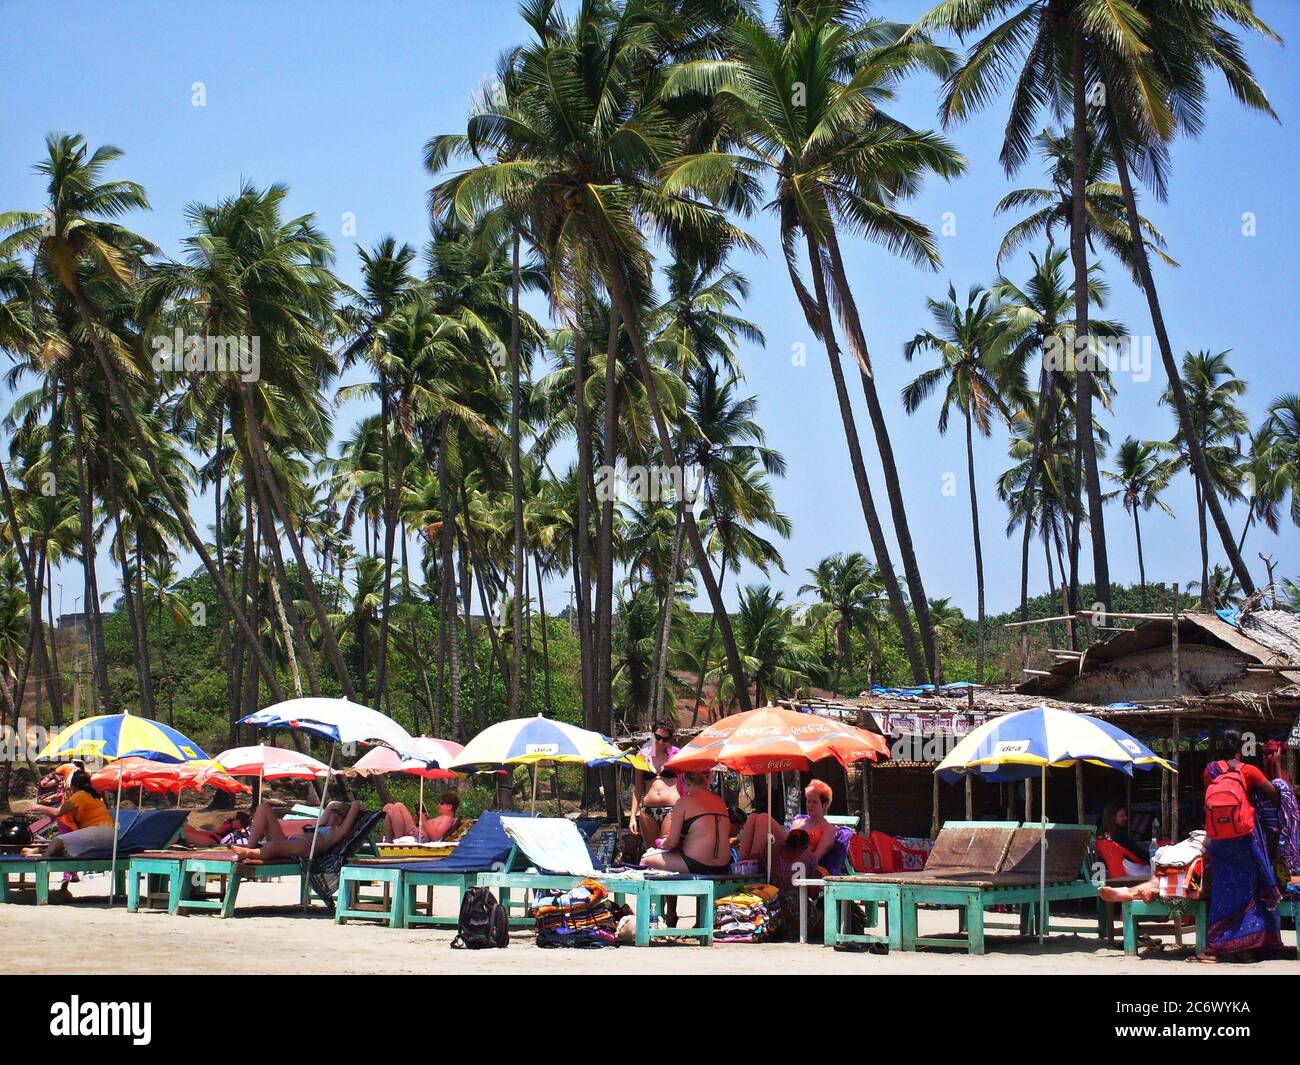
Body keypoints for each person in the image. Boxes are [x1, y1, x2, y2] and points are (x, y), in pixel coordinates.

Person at [1198, 730, 1282, 962]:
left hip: (1219, 840)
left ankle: (1218, 947)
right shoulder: (1248, 771)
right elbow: (1275, 795)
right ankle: (1247, 947)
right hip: (1244, 838)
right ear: (1241, 747)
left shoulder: (1211, 770)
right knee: (1249, 890)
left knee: (1223, 891)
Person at [641, 771, 731, 875]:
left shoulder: (683, 802)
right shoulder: (720, 802)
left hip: (698, 864)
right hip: (724, 865)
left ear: (686, 781)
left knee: (645, 860)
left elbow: (671, 843)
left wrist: (661, 844)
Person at [736, 779, 837, 867]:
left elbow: (816, 857)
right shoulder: (798, 821)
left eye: (814, 802)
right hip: (785, 851)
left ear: (824, 804)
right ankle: (741, 862)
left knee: (763, 818)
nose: (810, 805)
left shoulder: (828, 828)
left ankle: (754, 862)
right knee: (753, 817)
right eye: (808, 801)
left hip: (799, 856)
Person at [228, 800, 362, 862]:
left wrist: (352, 806)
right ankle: (249, 848)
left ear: (344, 819)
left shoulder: (338, 831)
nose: (335, 815)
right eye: (334, 812)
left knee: (274, 846)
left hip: (306, 848)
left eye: (340, 815)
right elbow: (330, 804)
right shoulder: (321, 825)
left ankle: (247, 852)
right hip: (291, 841)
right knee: (264, 807)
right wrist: (336, 806)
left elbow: (356, 804)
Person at [22, 770, 115, 858]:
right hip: (110, 837)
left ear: (74, 787)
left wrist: (38, 807)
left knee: (58, 841)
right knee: (63, 847)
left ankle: (43, 856)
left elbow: (57, 812)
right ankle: (38, 850)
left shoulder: (80, 795)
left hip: (100, 833)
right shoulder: (94, 796)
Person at [629, 722, 680, 846]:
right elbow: (638, 787)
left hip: (671, 809)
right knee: (651, 852)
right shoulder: (642, 756)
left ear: (670, 738)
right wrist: (632, 817)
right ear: (652, 735)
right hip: (647, 811)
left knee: (666, 851)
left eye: (665, 739)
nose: (661, 742)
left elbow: (685, 782)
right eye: (658, 737)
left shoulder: (676, 755)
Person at [1097, 803, 1151, 878]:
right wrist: (1153, 857)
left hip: (1121, 871)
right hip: (1134, 871)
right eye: (1122, 815)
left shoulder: (1103, 836)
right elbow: (1138, 853)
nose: (1125, 818)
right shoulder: (1119, 836)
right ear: (1113, 818)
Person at [383, 791, 460, 843]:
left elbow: (436, 837)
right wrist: (417, 819)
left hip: (420, 837)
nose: (438, 806)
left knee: (398, 806)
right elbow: (423, 827)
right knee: (388, 807)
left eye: (442, 803)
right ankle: (390, 841)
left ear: (450, 806)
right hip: (415, 832)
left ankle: (397, 841)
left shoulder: (448, 819)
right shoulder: (441, 817)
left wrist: (424, 822)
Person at [185, 811, 252, 848]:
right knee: (185, 828)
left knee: (184, 831)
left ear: (238, 821)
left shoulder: (233, 835)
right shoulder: (247, 832)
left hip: (215, 841)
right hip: (214, 838)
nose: (222, 823)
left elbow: (222, 844)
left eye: (229, 821)